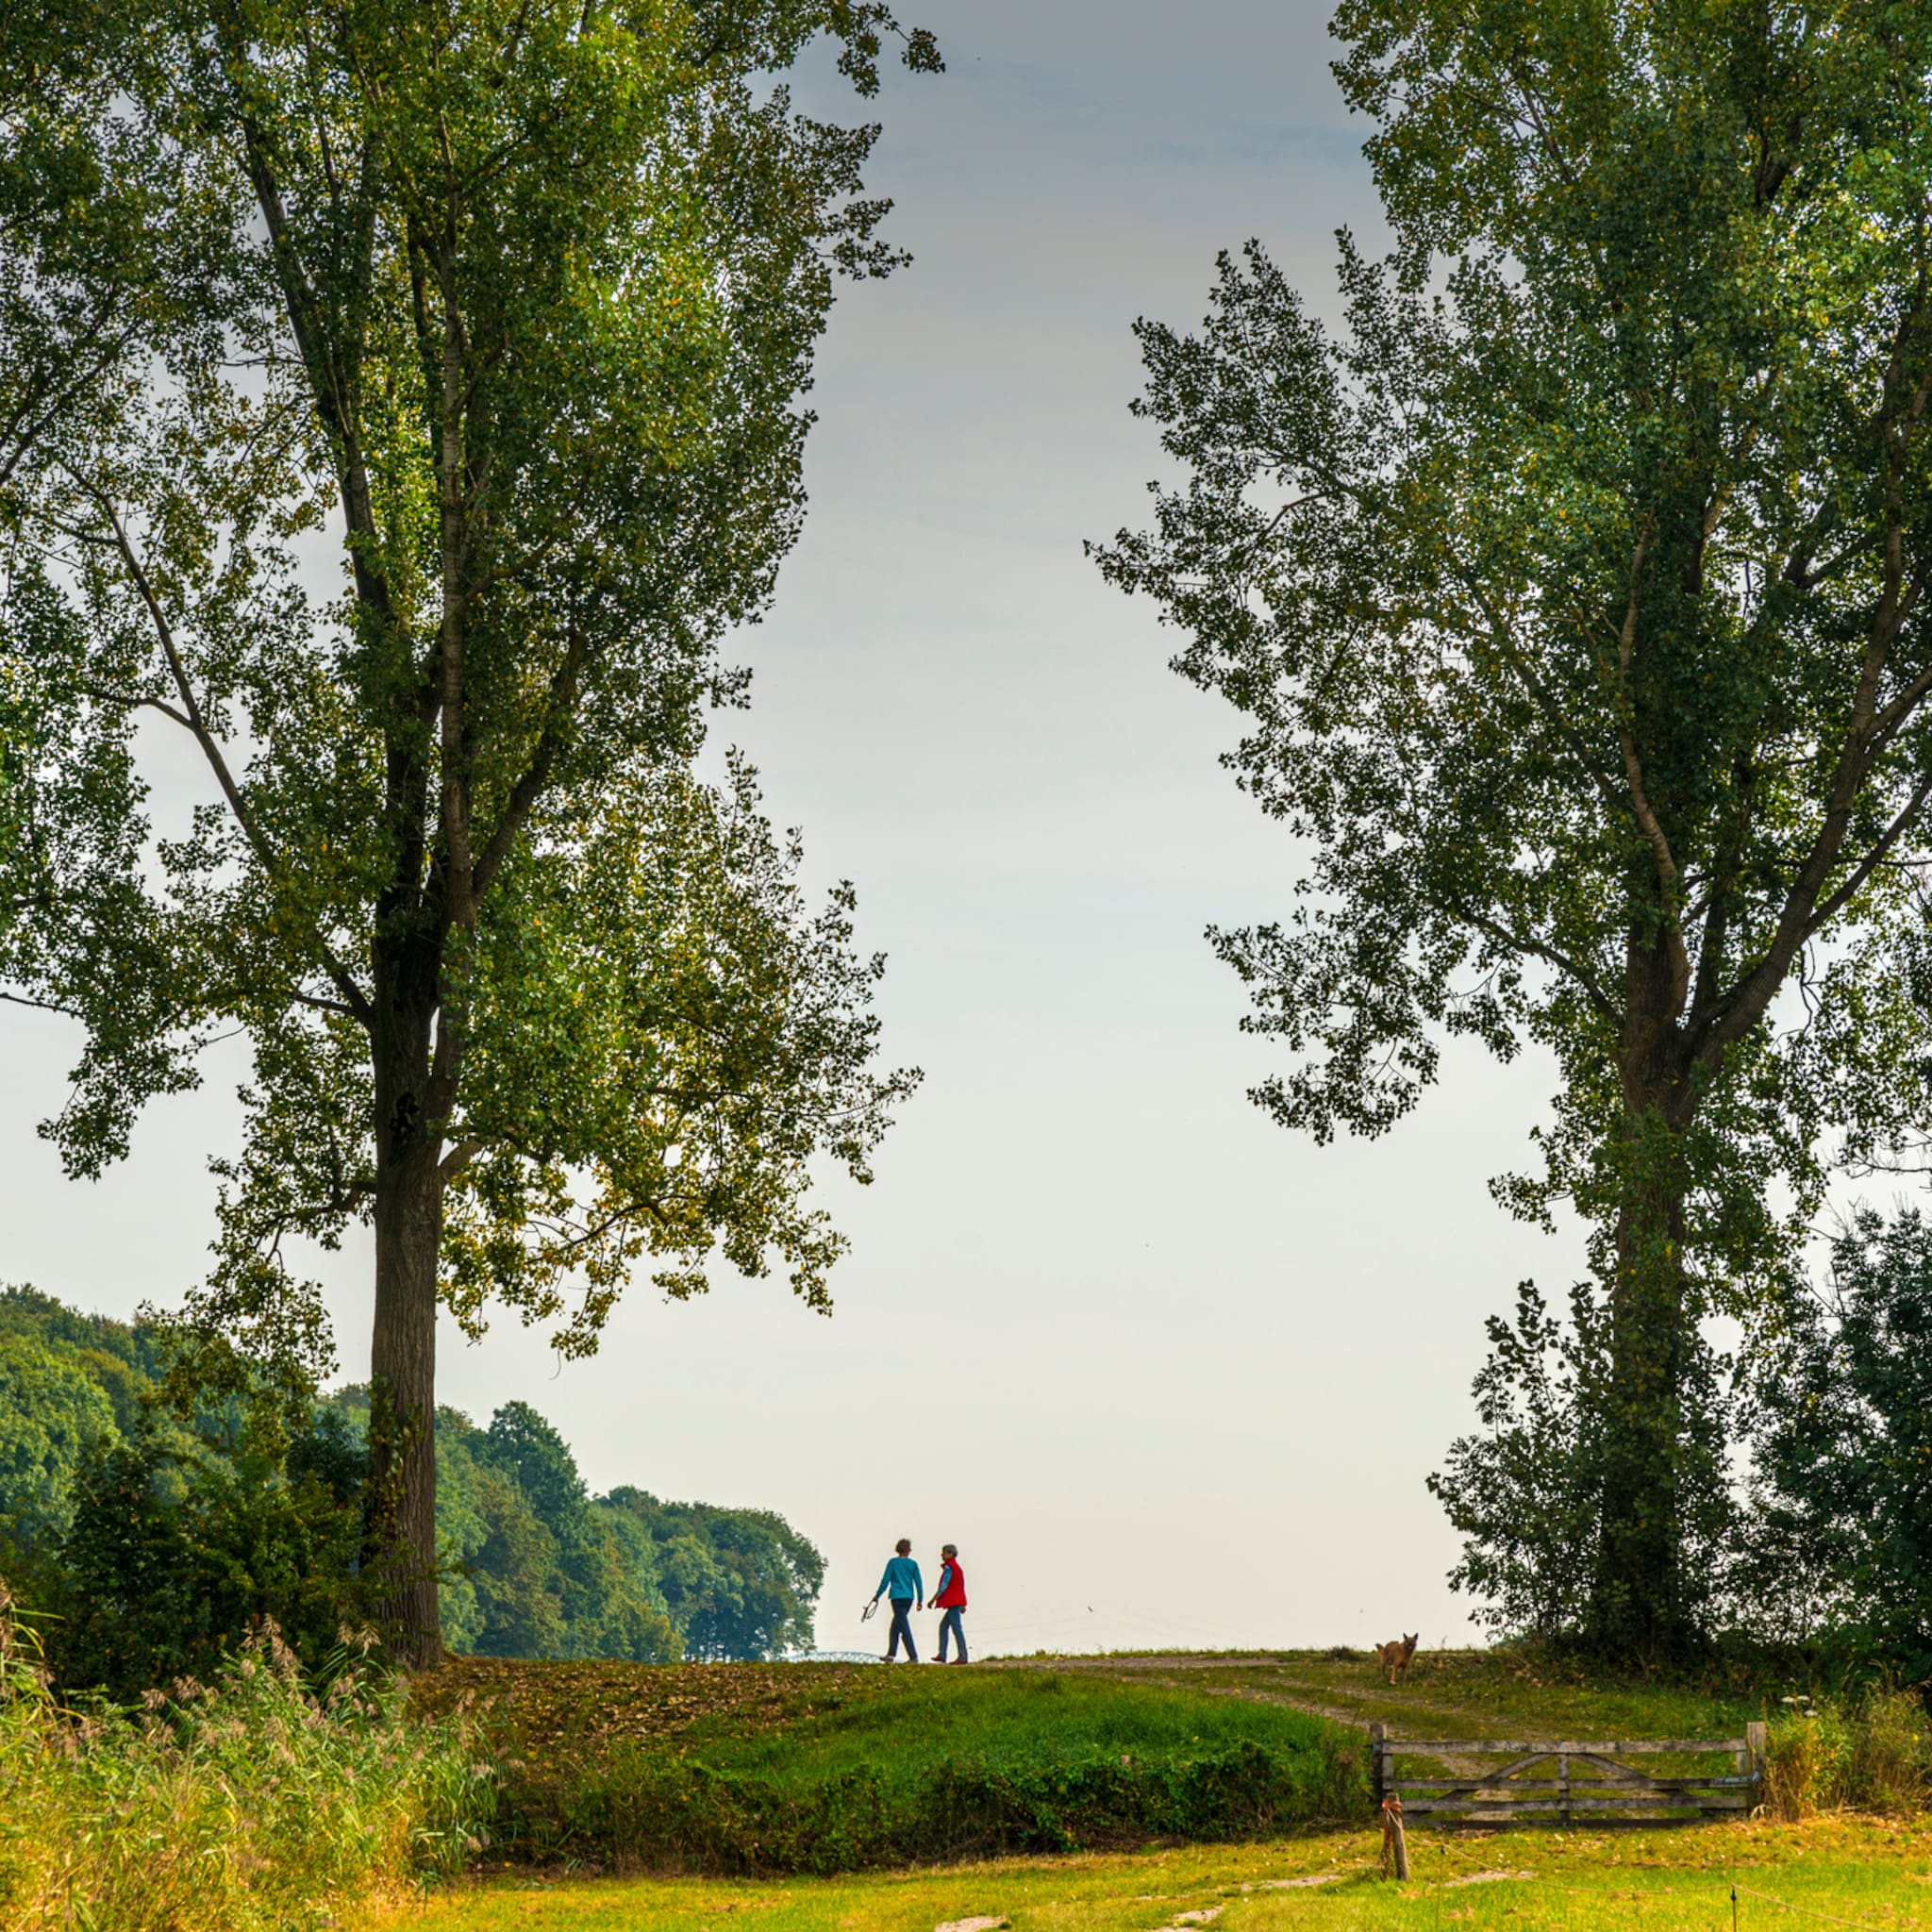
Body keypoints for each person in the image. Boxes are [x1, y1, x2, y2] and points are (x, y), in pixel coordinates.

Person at [872, 1538, 923, 1662]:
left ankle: (913, 1656)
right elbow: (918, 1582)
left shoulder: (893, 1563)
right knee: (895, 1627)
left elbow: (885, 1580)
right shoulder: (913, 1564)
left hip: (896, 1597)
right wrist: (920, 1599)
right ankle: (891, 1654)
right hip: (909, 1598)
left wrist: (877, 1595)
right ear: (908, 1550)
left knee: (903, 1627)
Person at [931, 1542, 968, 1663]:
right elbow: (961, 1586)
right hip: (957, 1602)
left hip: (953, 1602)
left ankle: (962, 1656)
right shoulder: (958, 1569)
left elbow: (944, 1585)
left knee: (956, 1629)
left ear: (950, 1554)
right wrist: (963, 1603)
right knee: (944, 1626)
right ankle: (942, 1654)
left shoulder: (949, 1567)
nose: (942, 1555)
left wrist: (934, 1599)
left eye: (944, 1553)